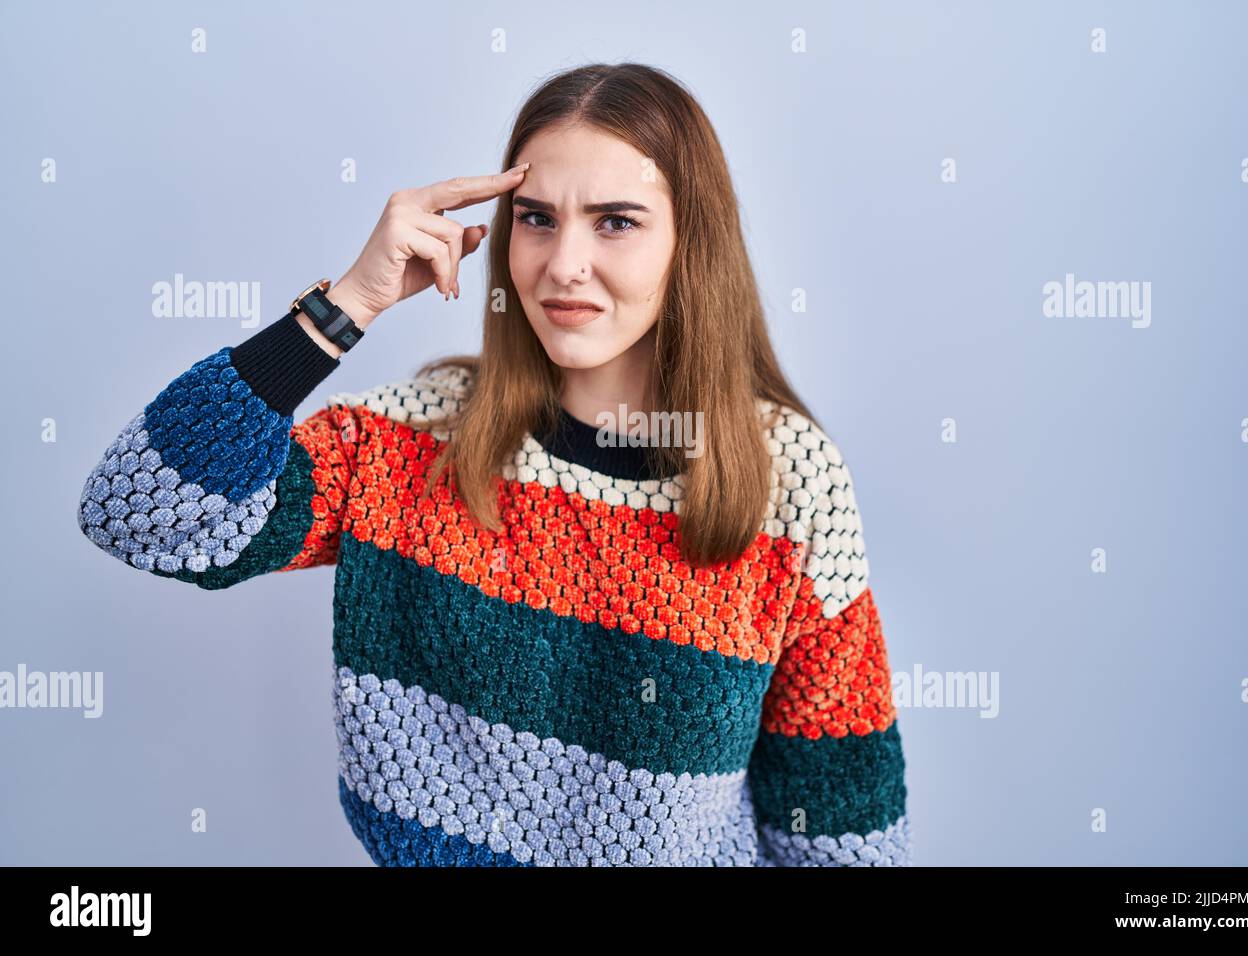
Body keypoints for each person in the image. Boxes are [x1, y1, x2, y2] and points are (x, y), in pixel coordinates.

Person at [76, 62, 912, 866]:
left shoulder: (790, 477)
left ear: (691, 243)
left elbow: (840, 817)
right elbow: (140, 516)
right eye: (538, 218)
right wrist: (344, 309)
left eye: (615, 221)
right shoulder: (410, 439)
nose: (562, 265)